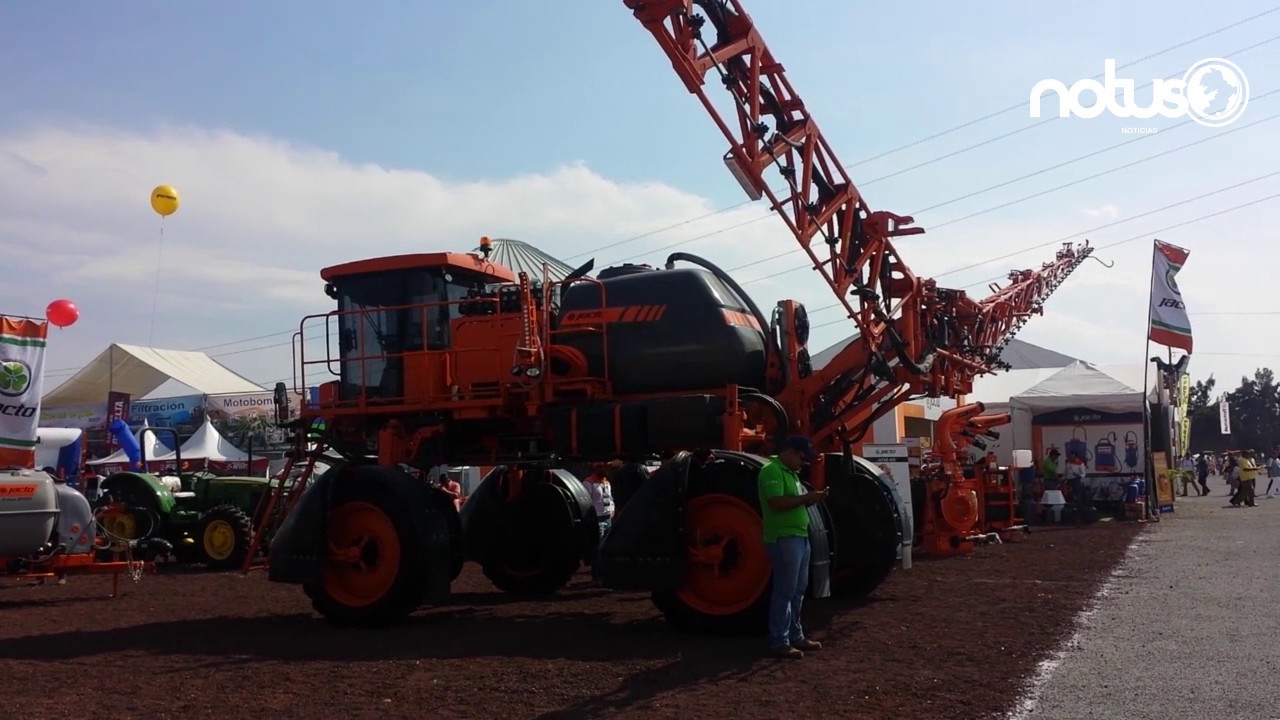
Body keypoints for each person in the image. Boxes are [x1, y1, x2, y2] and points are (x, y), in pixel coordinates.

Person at [758, 435, 827, 659]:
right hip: (784, 537)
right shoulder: (772, 471)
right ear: (789, 452)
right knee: (785, 591)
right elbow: (776, 502)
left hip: (797, 536)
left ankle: (794, 636)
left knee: (796, 590)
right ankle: (780, 640)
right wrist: (806, 498)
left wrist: (808, 499)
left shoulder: (789, 473)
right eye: (801, 457)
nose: (802, 462)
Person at [582, 462, 616, 542]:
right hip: (598, 519)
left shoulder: (607, 482)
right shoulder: (588, 482)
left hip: (608, 518)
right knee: (598, 544)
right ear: (597, 468)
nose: (607, 470)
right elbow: (586, 502)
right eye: (604, 467)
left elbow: (610, 498)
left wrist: (613, 509)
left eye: (607, 468)